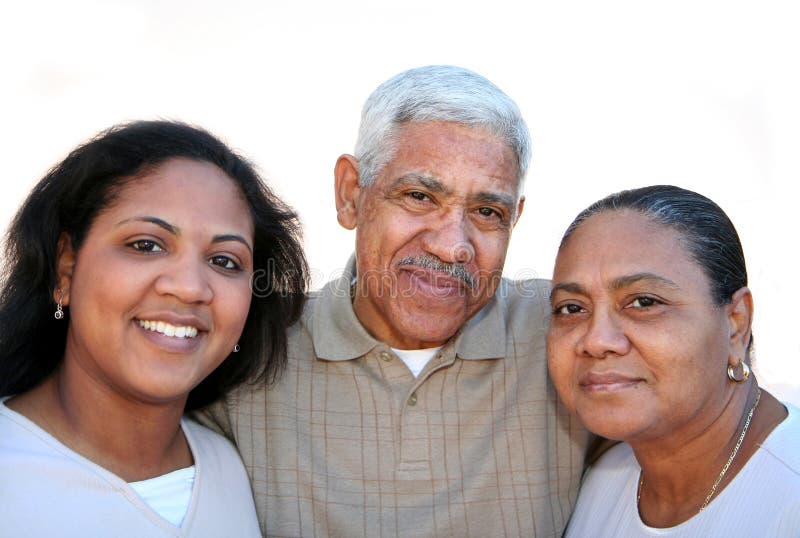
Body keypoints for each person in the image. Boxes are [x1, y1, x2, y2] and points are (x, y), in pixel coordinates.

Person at [198, 65, 589, 537]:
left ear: (515, 218)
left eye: (487, 211)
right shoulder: (249, 345)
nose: (452, 246)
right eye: (419, 196)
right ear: (350, 194)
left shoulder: (574, 335)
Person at [0, 120, 308, 537]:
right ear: (66, 269)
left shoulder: (234, 471)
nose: (190, 287)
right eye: (146, 245)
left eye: (224, 261)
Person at [547, 185, 800, 536]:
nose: (596, 340)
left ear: (735, 324)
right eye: (572, 308)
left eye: (644, 302)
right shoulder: (603, 478)